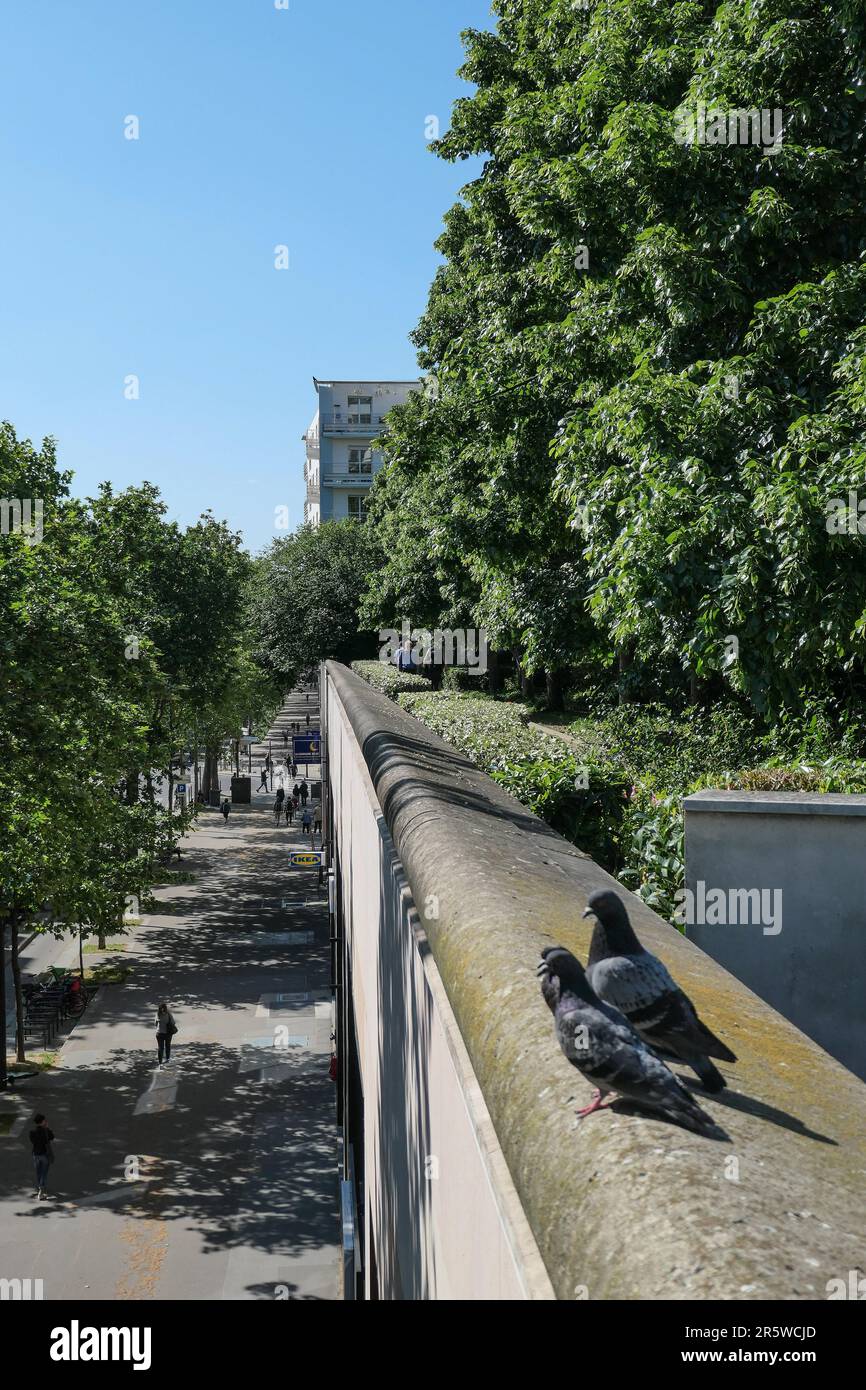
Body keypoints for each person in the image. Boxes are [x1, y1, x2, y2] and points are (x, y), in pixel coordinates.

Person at [30, 1113, 54, 1200]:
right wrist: (47, 1128)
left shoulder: (32, 1132)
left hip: (35, 1155)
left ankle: (40, 1186)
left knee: (38, 1172)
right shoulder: (45, 1131)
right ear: (42, 1121)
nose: (46, 1121)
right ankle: (41, 1191)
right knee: (44, 1173)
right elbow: (52, 1137)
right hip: (44, 1154)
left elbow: (33, 1142)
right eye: (45, 1120)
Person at [155, 1002, 177, 1067]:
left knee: (160, 1048)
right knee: (168, 1046)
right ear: (165, 1008)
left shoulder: (157, 1014)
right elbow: (173, 1023)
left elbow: (155, 1024)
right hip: (168, 1033)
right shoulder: (169, 1014)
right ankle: (167, 1059)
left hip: (159, 1033)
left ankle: (160, 1062)